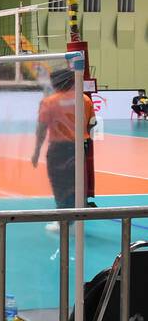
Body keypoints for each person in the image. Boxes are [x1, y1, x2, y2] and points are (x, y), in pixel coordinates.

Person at [32, 68, 96, 231]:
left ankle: (63, 220)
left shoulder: (49, 102)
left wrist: (36, 151)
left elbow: (41, 128)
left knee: (59, 183)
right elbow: (93, 122)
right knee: (77, 182)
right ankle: (76, 217)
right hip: (80, 146)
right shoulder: (85, 100)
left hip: (59, 148)